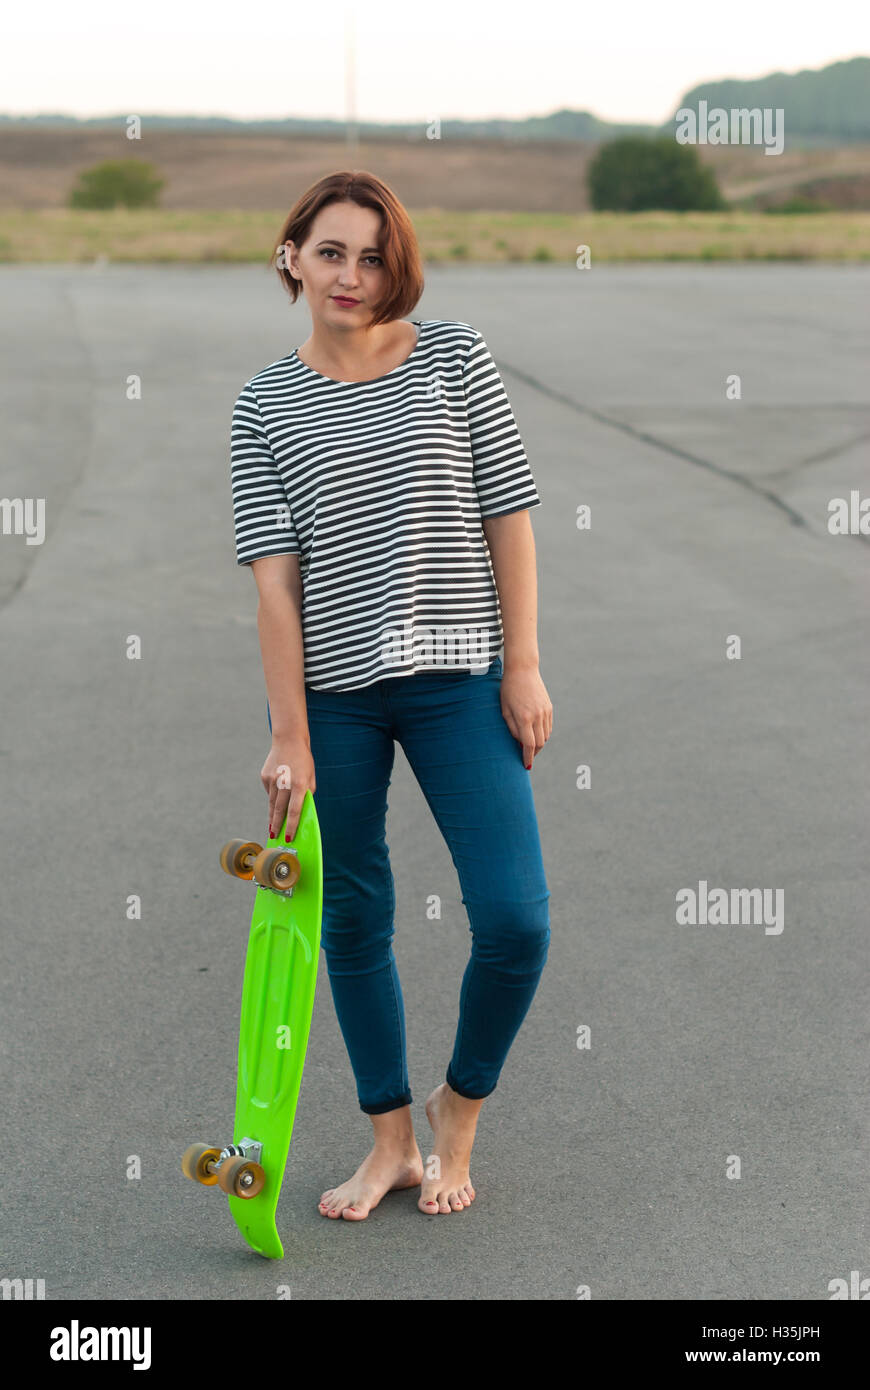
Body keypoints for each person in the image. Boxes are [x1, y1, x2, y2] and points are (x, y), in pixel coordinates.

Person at [230, 170, 553, 1220]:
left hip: (460, 678)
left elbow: (509, 513)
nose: (352, 275)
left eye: (373, 255)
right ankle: (389, 1142)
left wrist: (524, 662)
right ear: (293, 256)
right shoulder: (262, 406)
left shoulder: (456, 356)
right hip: (338, 698)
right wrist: (290, 735)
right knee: (356, 916)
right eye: (331, 251)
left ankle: (458, 1112)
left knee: (515, 920)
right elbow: (276, 586)